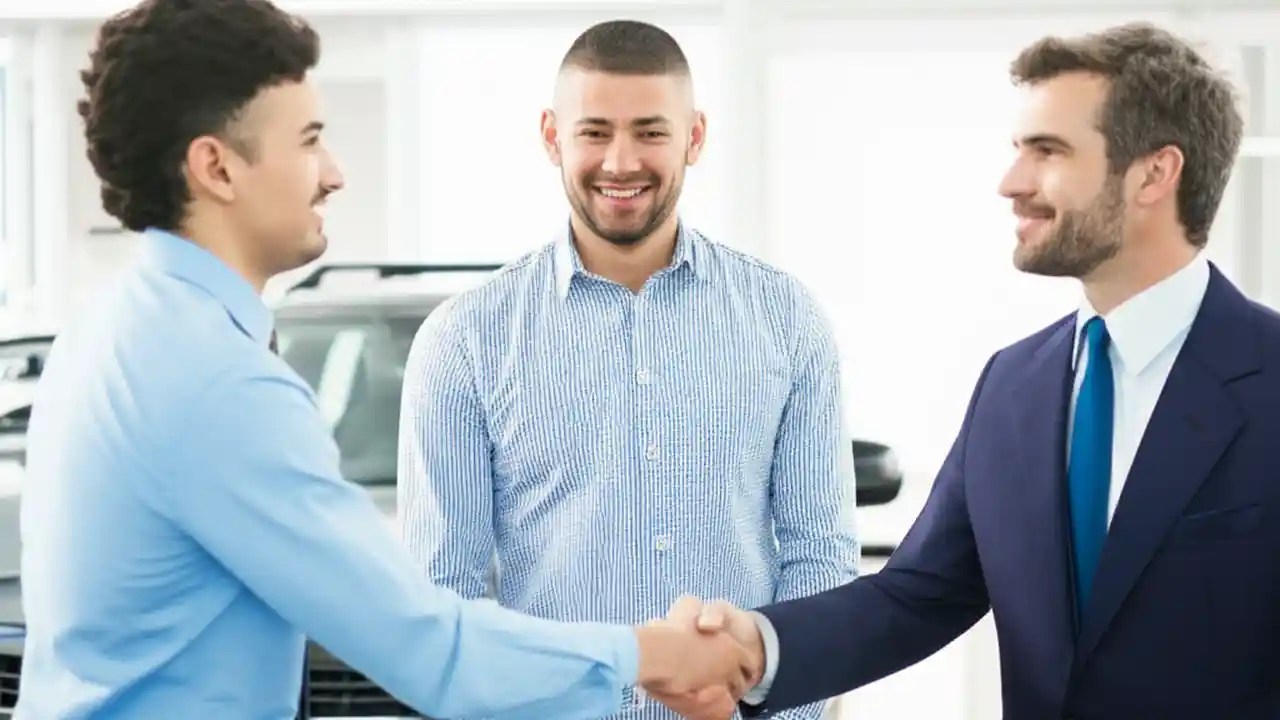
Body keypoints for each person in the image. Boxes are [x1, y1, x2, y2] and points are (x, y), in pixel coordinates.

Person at [15, 2, 759, 718]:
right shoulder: (216, 380)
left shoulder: (107, 331)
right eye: (308, 140)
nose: (334, 174)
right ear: (217, 167)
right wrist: (650, 654)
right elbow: (432, 650)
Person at [676, 21, 1280, 720]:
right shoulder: (1014, 385)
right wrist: (757, 647)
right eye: (1019, 150)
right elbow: (921, 594)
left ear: (1154, 174)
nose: (1011, 183)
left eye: (1048, 151)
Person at [397, 18, 857, 720]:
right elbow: (444, 592)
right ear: (552, 135)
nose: (620, 162)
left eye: (649, 132)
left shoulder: (786, 320)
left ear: (694, 137)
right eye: (594, 132)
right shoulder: (465, 341)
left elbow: (821, 561)